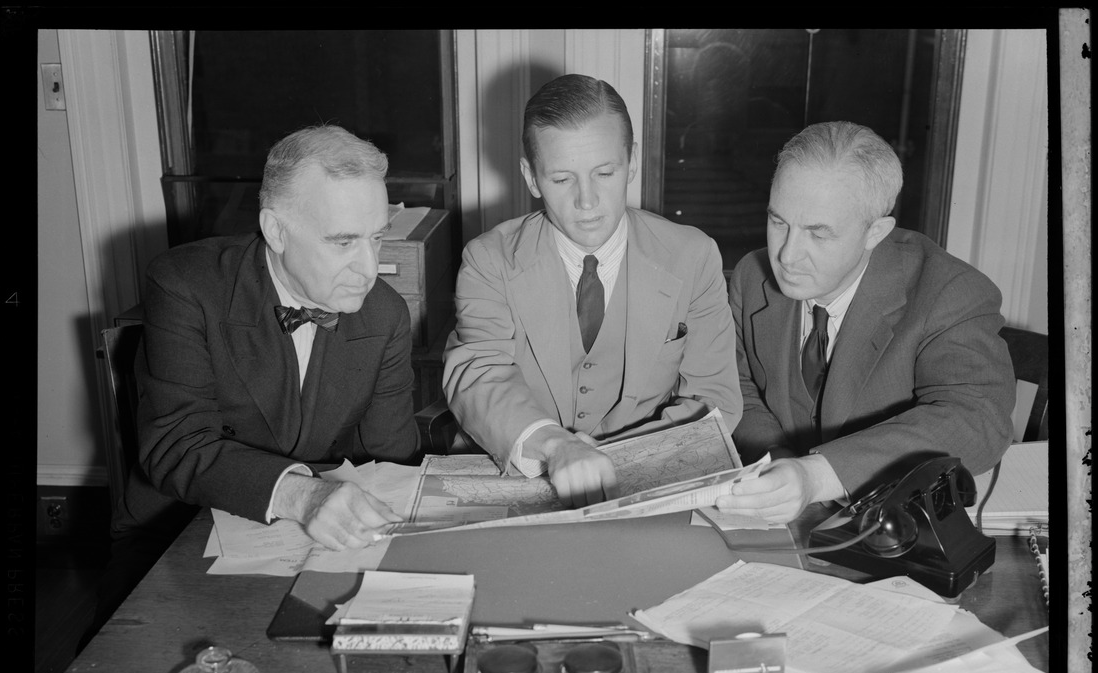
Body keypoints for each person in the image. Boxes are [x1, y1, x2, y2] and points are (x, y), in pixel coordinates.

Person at [87, 125, 419, 641]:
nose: (369, 268)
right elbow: (176, 447)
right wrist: (303, 498)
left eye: (377, 237)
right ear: (277, 230)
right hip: (173, 531)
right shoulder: (184, 286)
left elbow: (388, 460)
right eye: (343, 242)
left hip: (309, 543)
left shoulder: (385, 315)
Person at [442, 74, 742, 509]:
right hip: (516, 475)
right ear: (531, 178)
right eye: (562, 179)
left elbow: (714, 399)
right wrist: (555, 447)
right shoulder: (489, 260)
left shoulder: (692, 256)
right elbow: (479, 373)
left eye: (605, 172)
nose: (587, 200)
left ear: (632, 162)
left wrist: (611, 464)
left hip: (646, 480)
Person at [716, 120, 1015, 523]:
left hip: (900, 528)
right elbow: (739, 388)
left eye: (818, 234)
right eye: (778, 222)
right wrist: (781, 466)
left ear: (876, 231)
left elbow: (977, 417)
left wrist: (818, 476)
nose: (787, 255)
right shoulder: (752, 277)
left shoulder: (951, 291)